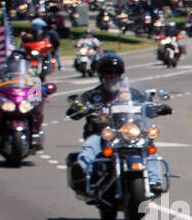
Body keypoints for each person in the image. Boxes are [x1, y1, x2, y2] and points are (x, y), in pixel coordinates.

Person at [67, 53, 166, 193]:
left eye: (116, 72)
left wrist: (157, 107)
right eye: (108, 72)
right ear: (102, 74)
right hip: (103, 134)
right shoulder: (93, 95)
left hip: (128, 132)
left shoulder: (133, 93)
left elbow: (147, 104)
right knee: (90, 146)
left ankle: (154, 180)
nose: (112, 76)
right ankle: (83, 176)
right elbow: (78, 107)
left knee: (148, 143)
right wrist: (78, 107)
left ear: (121, 74)